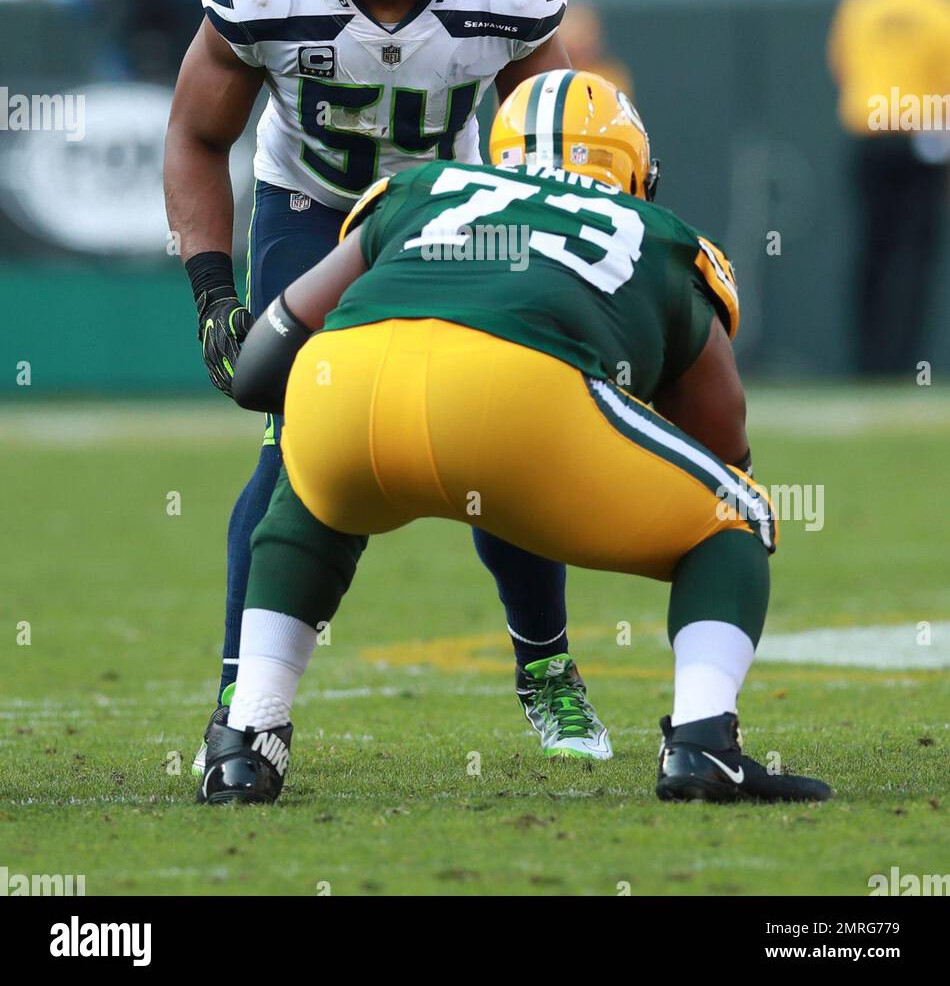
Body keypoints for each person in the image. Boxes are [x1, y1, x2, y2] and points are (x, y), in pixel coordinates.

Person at [199, 69, 833, 806]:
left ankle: (247, 737)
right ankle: (702, 743)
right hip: (519, 398)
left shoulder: (422, 187)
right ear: (635, 171)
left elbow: (261, 367)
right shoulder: (661, 237)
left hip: (345, 380)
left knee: (309, 493)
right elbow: (723, 441)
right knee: (736, 513)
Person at [164, 0, 613, 772]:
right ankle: (246, 702)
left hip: (452, 210)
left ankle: (546, 665)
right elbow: (197, 136)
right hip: (311, 209)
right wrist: (211, 289)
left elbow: (553, 131)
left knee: (497, 437)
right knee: (299, 442)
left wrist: (556, 254)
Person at [828, 0, 950, 375]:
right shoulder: (938, 3)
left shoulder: (862, 0)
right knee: (913, 257)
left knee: (871, 252)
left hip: (869, 136)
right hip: (920, 141)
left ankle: (868, 363)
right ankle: (901, 364)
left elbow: (842, 65)